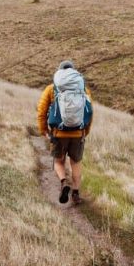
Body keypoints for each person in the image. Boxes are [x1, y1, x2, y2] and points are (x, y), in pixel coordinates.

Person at [36, 60, 93, 205]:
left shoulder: (51, 89)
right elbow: (89, 111)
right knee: (76, 163)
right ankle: (75, 193)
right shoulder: (83, 90)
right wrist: (85, 131)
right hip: (78, 133)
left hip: (58, 134)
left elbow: (41, 111)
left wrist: (44, 130)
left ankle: (63, 182)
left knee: (59, 161)